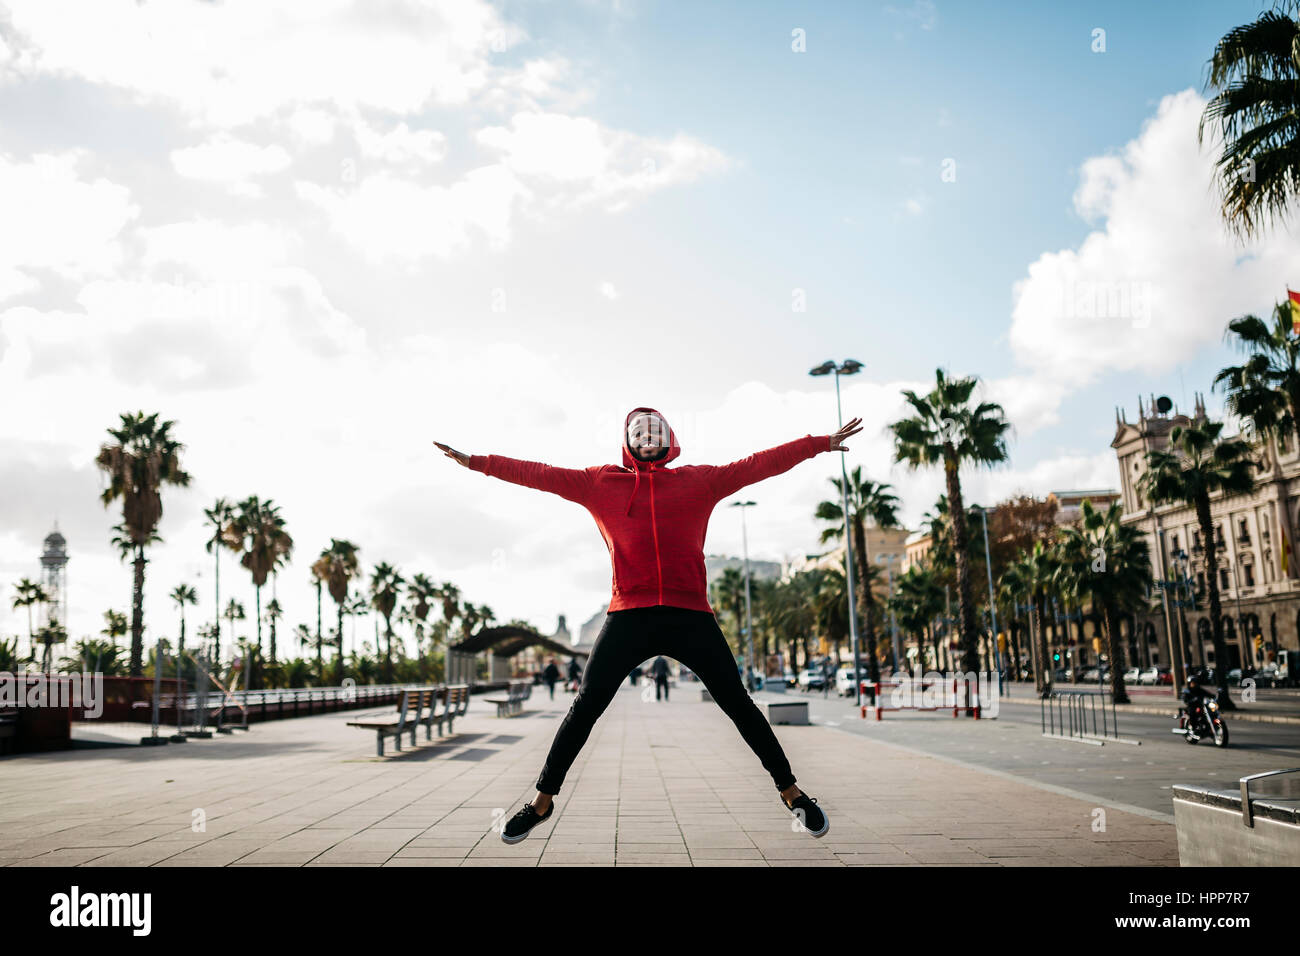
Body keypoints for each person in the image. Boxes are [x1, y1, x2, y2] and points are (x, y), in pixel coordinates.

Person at [436, 406, 861, 844]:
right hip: (629, 614)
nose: (648, 436)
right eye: (639, 431)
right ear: (628, 441)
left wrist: (818, 445)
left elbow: (758, 465)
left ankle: (791, 793)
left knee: (737, 701)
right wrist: (477, 463)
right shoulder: (600, 483)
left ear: (670, 439)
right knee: (586, 705)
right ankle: (541, 802)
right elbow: (539, 473)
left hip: (690, 613)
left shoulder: (700, 481)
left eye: (656, 430)